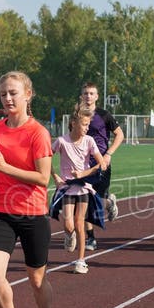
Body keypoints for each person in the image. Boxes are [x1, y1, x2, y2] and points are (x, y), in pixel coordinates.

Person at [0, 71, 56, 308]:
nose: (8, 98)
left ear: (28, 95)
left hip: (33, 213)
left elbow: (43, 178)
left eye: (13, 93)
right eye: (3, 94)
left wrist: (7, 169)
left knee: (36, 280)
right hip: (2, 210)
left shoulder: (38, 133)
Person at [51, 104, 105, 274]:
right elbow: (44, 158)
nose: (86, 128)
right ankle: (69, 234)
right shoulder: (61, 141)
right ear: (73, 123)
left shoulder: (89, 141)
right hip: (67, 188)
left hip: (83, 188)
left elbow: (101, 164)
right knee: (68, 224)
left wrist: (83, 173)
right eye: (84, 124)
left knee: (79, 223)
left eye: (88, 125)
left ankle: (81, 261)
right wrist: (56, 177)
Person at [79, 82, 125, 250]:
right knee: (84, 200)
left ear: (97, 96)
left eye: (92, 93)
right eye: (86, 93)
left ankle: (109, 202)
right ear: (81, 96)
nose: (88, 96)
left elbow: (120, 134)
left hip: (101, 163)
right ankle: (90, 238)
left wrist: (108, 154)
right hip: (82, 164)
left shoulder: (104, 115)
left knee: (97, 202)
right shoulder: (77, 115)